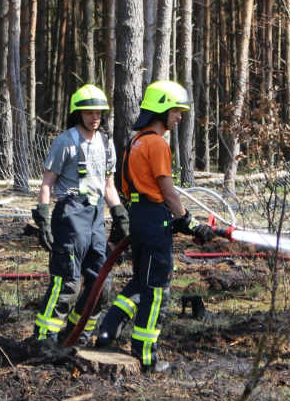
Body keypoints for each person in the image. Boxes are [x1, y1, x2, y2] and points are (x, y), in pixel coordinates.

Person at [92, 80, 216, 372]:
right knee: (158, 289)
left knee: (141, 282)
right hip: (155, 215)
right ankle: (146, 356)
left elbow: (125, 184)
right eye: (176, 111)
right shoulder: (157, 144)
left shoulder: (135, 142)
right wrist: (188, 221)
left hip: (140, 216)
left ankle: (107, 332)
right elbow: (168, 190)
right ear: (162, 110)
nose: (180, 117)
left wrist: (163, 218)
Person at [30, 85, 130, 346]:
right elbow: (47, 182)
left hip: (96, 216)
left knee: (101, 283)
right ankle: (44, 339)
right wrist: (43, 217)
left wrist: (120, 215)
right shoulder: (66, 141)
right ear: (78, 113)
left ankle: (77, 334)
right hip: (70, 214)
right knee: (67, 281)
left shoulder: (107, 144)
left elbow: (109, 187)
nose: (94, 117)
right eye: (88, 111)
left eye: (98, 112)